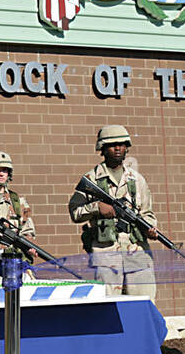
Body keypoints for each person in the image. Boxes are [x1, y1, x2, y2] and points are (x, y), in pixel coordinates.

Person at [67, 125, 159, 297]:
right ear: (102, 148)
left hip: (137, 252)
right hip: (106, 254)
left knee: (142, 305)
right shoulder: (92, 178)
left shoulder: (137, 180)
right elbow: (75, 211)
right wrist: (96, 208)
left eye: (122, 144)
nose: (118, 148)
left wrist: (150, 228)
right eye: (112, 144)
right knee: (109, 307)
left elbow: (148, 213)